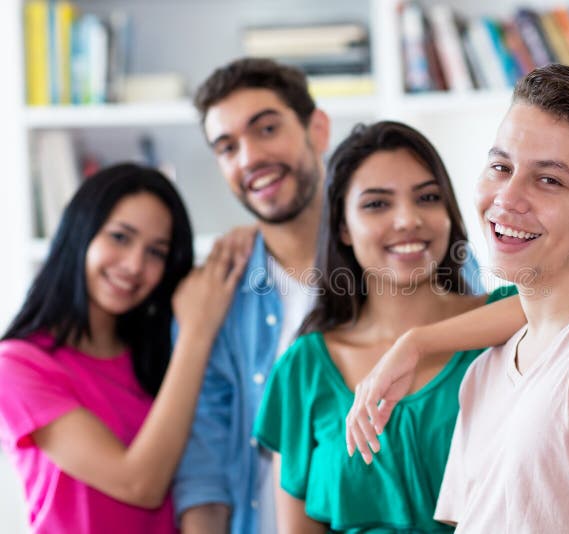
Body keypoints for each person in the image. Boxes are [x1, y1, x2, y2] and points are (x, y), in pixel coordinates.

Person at [346, 65, 569, 534]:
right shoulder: (488, 368)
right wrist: (417, 343)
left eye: (549, 180)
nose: (508, 197)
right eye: (501, 167)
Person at [174, 58, 485, 534]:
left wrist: (416, 343)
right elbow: (204, 469)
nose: (250, 157)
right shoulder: (217, 296)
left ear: (317, 129)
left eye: (267, 128)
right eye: (227, 146)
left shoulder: (435, 264)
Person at [253, 120, 521, 533]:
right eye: (377, 204)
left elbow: (568, 305)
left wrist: (417, 343)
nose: (407, 219)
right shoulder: (303, 368)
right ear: (342, 226)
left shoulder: (510, 323)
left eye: (428, 197)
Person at [0, 163, 246, 534]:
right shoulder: (18, 367)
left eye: (156, 252)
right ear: (81, 234)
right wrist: (197, 331)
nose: (134, 265)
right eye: (119, 237)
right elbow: (139, 484)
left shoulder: (159, 354)